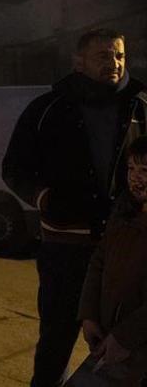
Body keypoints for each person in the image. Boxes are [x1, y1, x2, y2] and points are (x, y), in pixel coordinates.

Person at [3, 28, 147, 387]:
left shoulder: (140, 105)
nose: (114, 63)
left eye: (119, 55)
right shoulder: (48, 108)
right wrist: (45, 200)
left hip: (123, 249)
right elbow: (14, 168)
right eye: (103, 56)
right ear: (78, 61)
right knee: (55, 346)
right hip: (65, 251)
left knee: (126, 348)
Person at [77, 136, 147, 386]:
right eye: (131, 169)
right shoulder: (122, 212)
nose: (135, 177)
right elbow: (98, 262)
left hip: (135, 348)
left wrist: (124, 337)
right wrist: (89, 315)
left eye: (144, 170)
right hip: (108, 340)